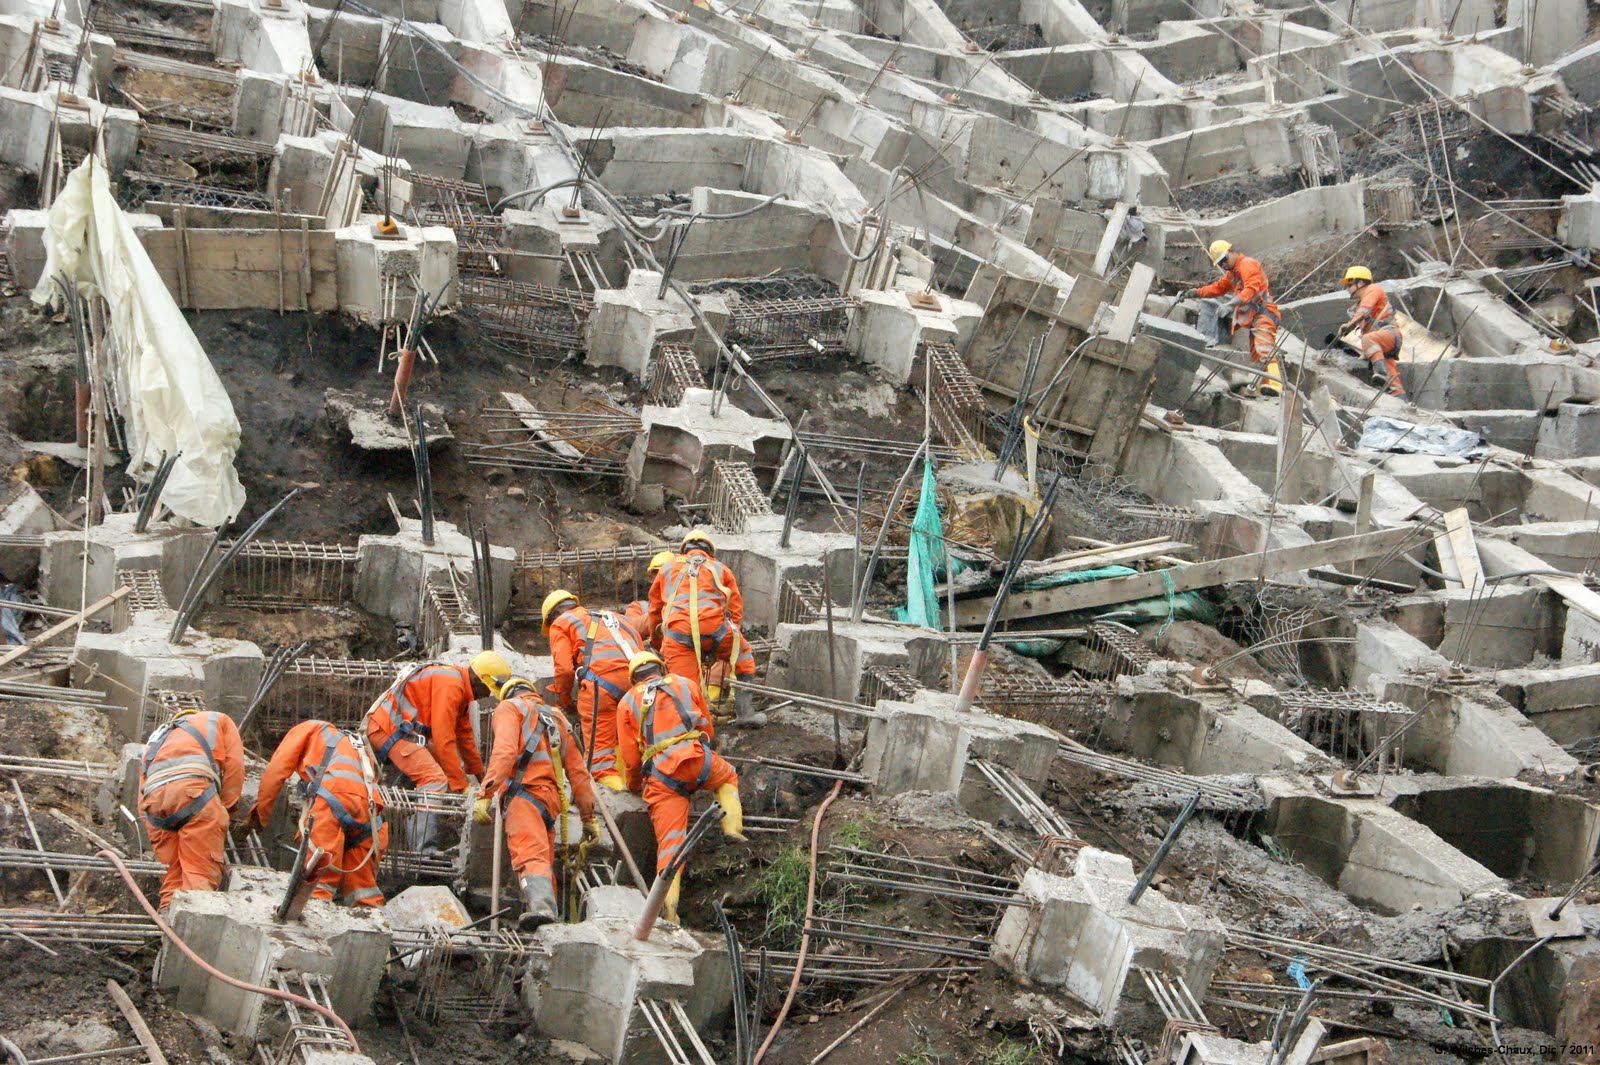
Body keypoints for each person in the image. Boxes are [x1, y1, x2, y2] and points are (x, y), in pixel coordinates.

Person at [616, 651, 746, 924]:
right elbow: (706, 727)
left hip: (663, 776)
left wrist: (634, 785)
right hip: (698, 758)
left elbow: (629, 757)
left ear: (633, 679)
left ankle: (670, 910)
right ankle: (732, 829)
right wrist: (705, 751)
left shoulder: (628, 702)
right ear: (660, 668)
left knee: (671, 844)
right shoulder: (685, 683)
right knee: (727, 777)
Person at [475, 676, 598, 929]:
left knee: (529, 854)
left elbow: (505, 751)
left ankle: (542, 909)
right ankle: (548, 926)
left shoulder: (510, 708)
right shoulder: (558, 718)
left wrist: (486, 793)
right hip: (549, 800)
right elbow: (578, 773)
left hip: (524, 794)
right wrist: (589, 818)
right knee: (542, 859)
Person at [365, 651, 509, 850]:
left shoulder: (459, 686)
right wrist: (461, 785)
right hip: (388, 730)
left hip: (399, 731)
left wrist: (483, 779)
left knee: (439, 766)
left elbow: (464, 737)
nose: (486, 696)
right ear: (479, 679)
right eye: (488, 690)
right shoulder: (451, 686)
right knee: (435, 779)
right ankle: (423, 848)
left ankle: (406, 811)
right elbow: (444, 740)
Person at [251, 720, 387, 907]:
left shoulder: (309, 729)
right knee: (363, 890)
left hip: (331, 803)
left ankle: (312, 932)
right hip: (371, 815)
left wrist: (260, 815)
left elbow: (275, 772)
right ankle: (372, 928)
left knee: (318, 886)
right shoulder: (355, 743)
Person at [646, 530, 764, 727]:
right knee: (743, 656)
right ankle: (746, 714)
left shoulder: (668, 568)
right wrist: (725, 641)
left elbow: (655, 610)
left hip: (678, 633)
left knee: (685, 688)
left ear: (683, 550)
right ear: (709, 551)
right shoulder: (720, 568)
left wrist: (658, 643)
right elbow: (734, 610)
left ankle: (696, 733)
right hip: (716, 628)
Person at [138, 708, 244, 909]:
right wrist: (226, 809)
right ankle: (190, 935)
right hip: (196, 796)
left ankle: (167, 922)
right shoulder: (219, 720)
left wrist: (155, 832)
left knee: (172, 876)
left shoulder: (156, 740)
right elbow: (235, 767)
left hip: (155, 808)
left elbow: (141, 792)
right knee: (198, 873)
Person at [542, 590, 646, 792]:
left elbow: (563, 670)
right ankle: (635, 784)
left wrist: (564, 700)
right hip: (639, 685)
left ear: (552, 617)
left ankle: (614, 793)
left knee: (600, 756)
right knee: (632, 739)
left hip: (601, 687)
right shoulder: (618, 618)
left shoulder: (561, 623)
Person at [1181, 240, 1283, 398]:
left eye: (1224, 260)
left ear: (1232, 251)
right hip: (1255, 317)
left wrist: (1231, 304)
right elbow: (1216, 289)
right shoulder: (1233, 274)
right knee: (1257, 354)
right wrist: (1194, 292)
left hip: (1265, 314)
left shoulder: (1247, 265)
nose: (1224, 265)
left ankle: (1276, 385)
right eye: (1220, 263)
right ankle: (1266, 387)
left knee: (1264, 348)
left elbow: (1251, 289)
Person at [1336, 265, 1405, 399]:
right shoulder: (1357, 305)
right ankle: (1400, 398)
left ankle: (1381, 373)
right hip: (1382, 341)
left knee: (1368, 339)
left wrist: (1350, 325)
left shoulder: (1373, 290)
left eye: (1349, 285)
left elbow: (1365, 310)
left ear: (1360, 282)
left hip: (1389, 333)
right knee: (1393, 383)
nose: (1347, 289)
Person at [624, 551, 676, 637]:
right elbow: (629, 629)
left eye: (669, 575)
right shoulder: (639, 607)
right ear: (651, 578)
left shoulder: (687, 606)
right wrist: (659, 613)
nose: (663, 579)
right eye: (659, 574)